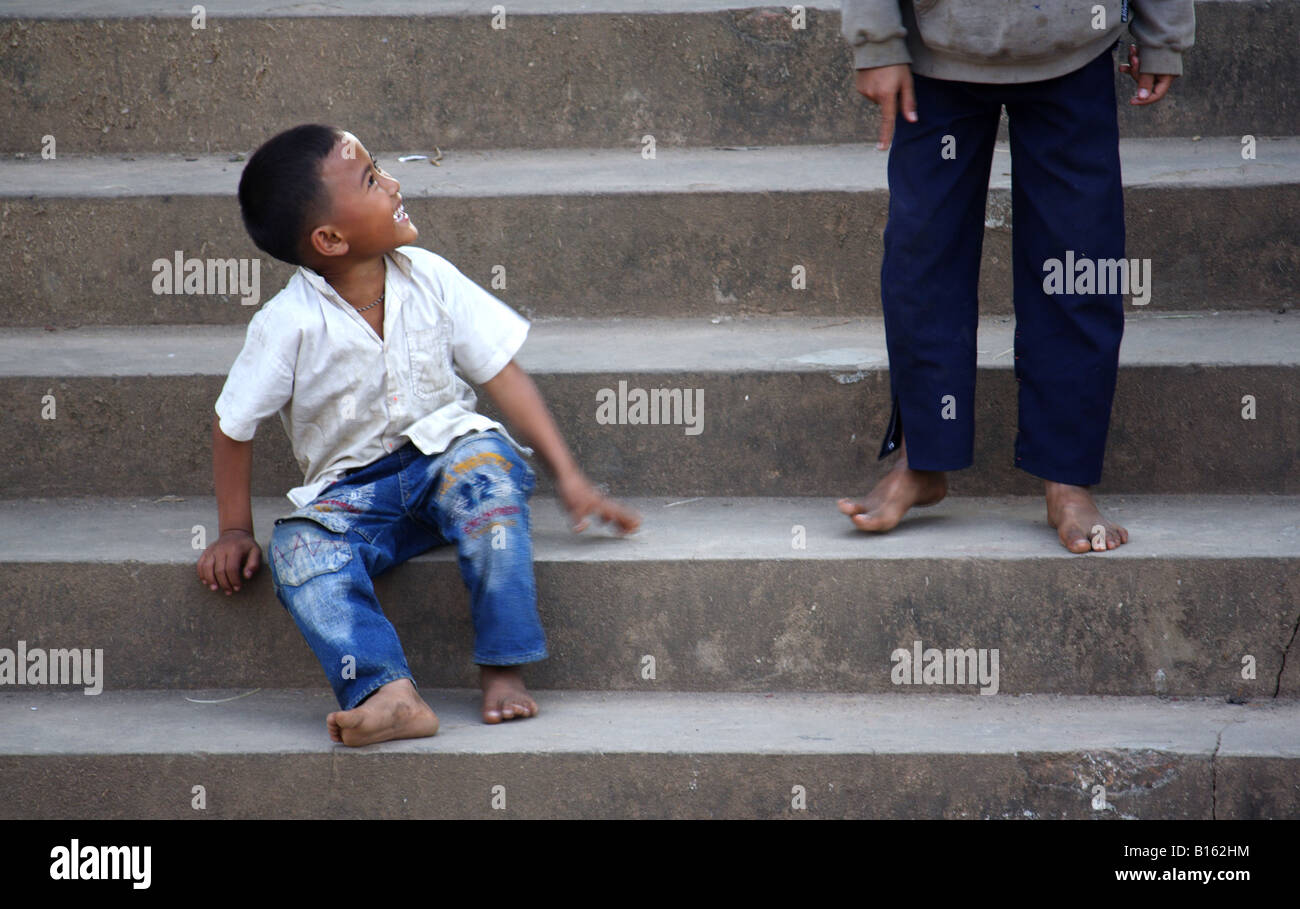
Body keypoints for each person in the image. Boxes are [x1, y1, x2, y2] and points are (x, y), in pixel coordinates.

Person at [196, 124, 640, 746]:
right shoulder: (286, 324)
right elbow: (232, 424)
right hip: (357, 496)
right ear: (329, 238)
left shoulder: (429, 275)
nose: (395, 183)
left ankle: (503, 667)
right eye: (373, 181)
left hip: (451, 462)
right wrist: (236, 529)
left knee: (485, 470)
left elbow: (501, 374)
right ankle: (386, 692)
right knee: (299, 549)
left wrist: (570, 477)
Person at [836, 0, 1195, 551]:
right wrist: (876, 39)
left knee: (1079, 268)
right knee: (922, 261)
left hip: (1075, 46)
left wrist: (1164, 30)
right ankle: (924, 458)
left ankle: (1067, 477)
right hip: (936, 53)